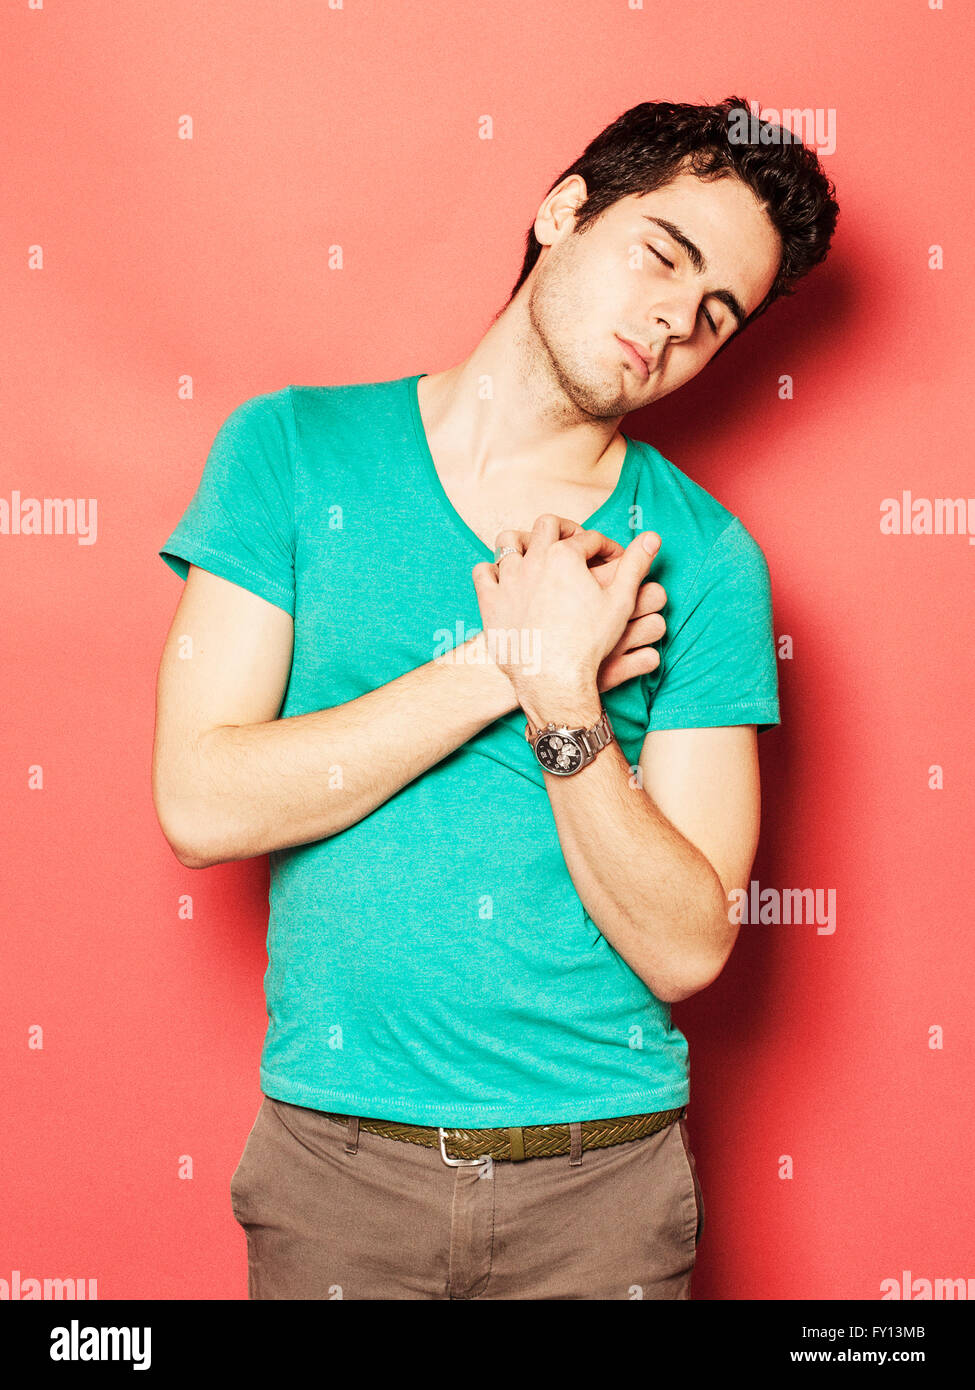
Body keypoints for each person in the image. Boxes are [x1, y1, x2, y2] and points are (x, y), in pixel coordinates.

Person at [152, 95, 838, 1300]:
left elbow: (686, 942)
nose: (677, 320)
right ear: (564, 208)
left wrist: (566, 704)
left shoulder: (705, 557)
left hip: (601, 1188)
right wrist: (502, 663)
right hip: (337, 1168)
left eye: (717, 312)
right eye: (663, 255)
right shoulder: (291, 452)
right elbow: (202, 804)